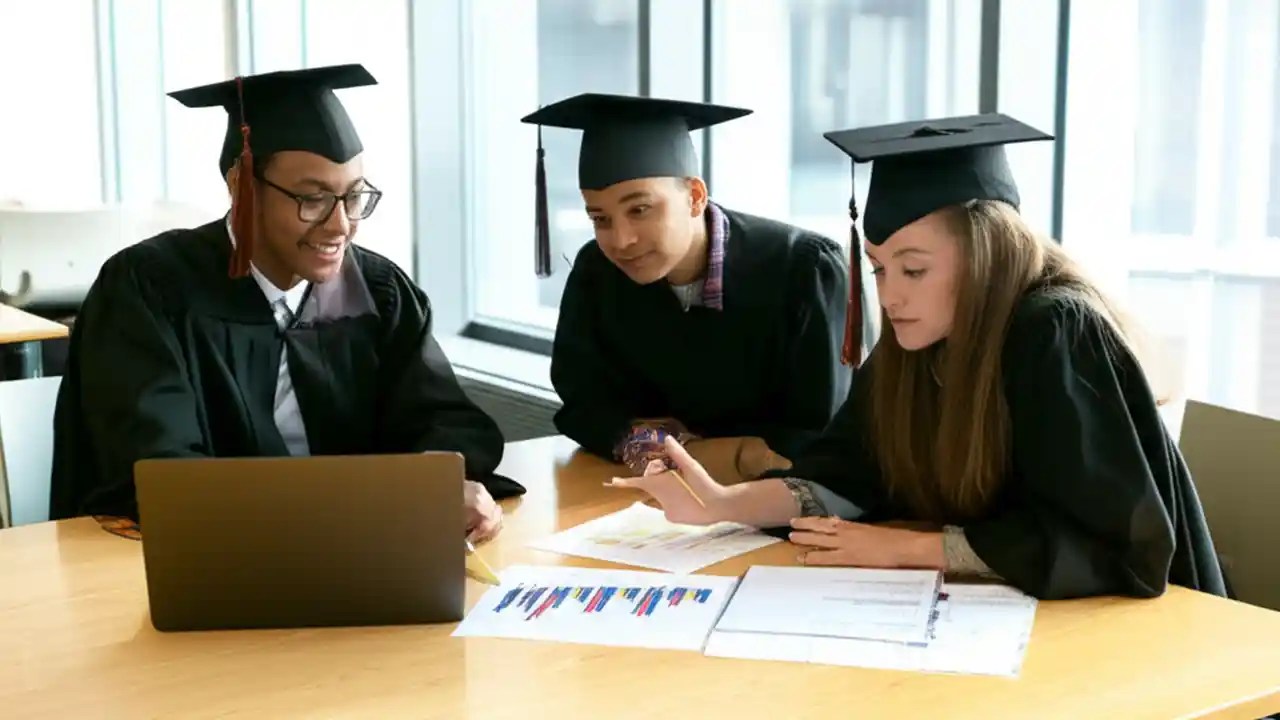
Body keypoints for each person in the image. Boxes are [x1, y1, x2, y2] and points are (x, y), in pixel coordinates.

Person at [607, 113, 1227, 601]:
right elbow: (853, 473)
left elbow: (1105, 543)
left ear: (987, 257)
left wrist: (906, 548)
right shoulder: (919, 341)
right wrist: (724, 503)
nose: (889, 295)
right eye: (878, 268)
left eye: (914, 268)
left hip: (1139, 636)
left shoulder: (1055, 331)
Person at [50, 64, 522, 542]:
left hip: (363, 553)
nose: (341, 227)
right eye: (312, 199)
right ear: (242, 189)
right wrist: (373, 498)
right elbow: (159, 473)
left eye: (354, 197)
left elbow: (447, 422)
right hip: (207, 560)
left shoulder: (377, 290)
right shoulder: (148, 290)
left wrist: (437, 484)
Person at [521, 93, 852, 478]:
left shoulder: (803, 270)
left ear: (695, 197)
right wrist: (655, 446)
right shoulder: (597, 271)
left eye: (639, 209)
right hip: (645, 504)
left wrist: (695, 452)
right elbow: (582, 408)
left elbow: (819, 435)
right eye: (600, 218)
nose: (620, 240)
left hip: (773, 507)